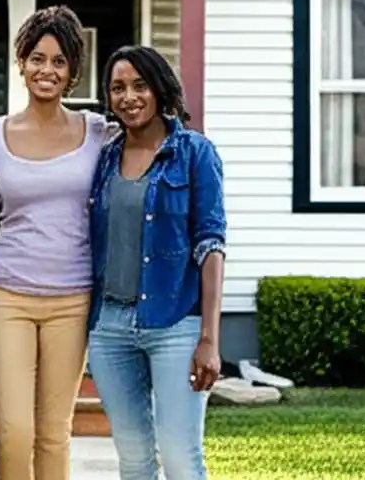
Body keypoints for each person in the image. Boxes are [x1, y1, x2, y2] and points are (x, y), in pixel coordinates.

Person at [0, 6, 110, 479]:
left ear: (72, 72)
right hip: (9, 294)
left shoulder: (96, 133)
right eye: (38, 58)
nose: (47, 69)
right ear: (21, 63)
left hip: (73, 296)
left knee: (54, 432)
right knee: (13, 428)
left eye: (60, 61)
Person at [85, 45, 227, 480]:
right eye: (117, 88)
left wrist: (209, 338)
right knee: (134, 458)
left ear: (159, 88)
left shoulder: (194, 152)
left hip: (175, 325)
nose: (129, 97)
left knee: (181, 457)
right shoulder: (105, 156)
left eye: (139, 85)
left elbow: (211, 245)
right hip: (109, 328)